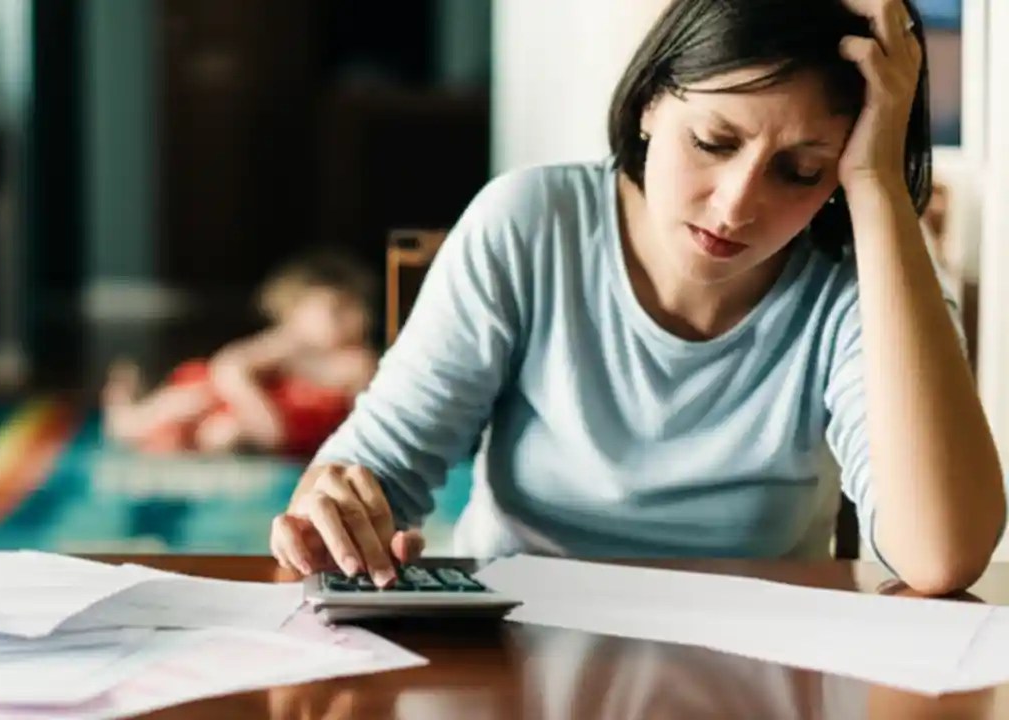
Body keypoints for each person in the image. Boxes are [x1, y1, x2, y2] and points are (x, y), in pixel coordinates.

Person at [269, 0, 1006, 594]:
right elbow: (378, 471)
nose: (734, 206)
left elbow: (938, 557)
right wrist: (333, 510)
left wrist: (880, 184)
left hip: (749, 675)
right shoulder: (529, 224)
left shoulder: (861, 288)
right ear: (652, 102)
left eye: (802, 171)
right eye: (714, 142)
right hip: (518, 652)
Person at [103, 251, 378, 458]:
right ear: (294, 314)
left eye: (360, 308)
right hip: (241, 407)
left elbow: (363, 421)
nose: (357, 319)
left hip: (272, 428)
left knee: (223, 431)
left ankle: (154, 429)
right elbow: (230, 366)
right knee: (192, 403)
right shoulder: (289, 344)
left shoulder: (357, 362)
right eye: (337, 310)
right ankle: (132, 421)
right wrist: (261, 417)